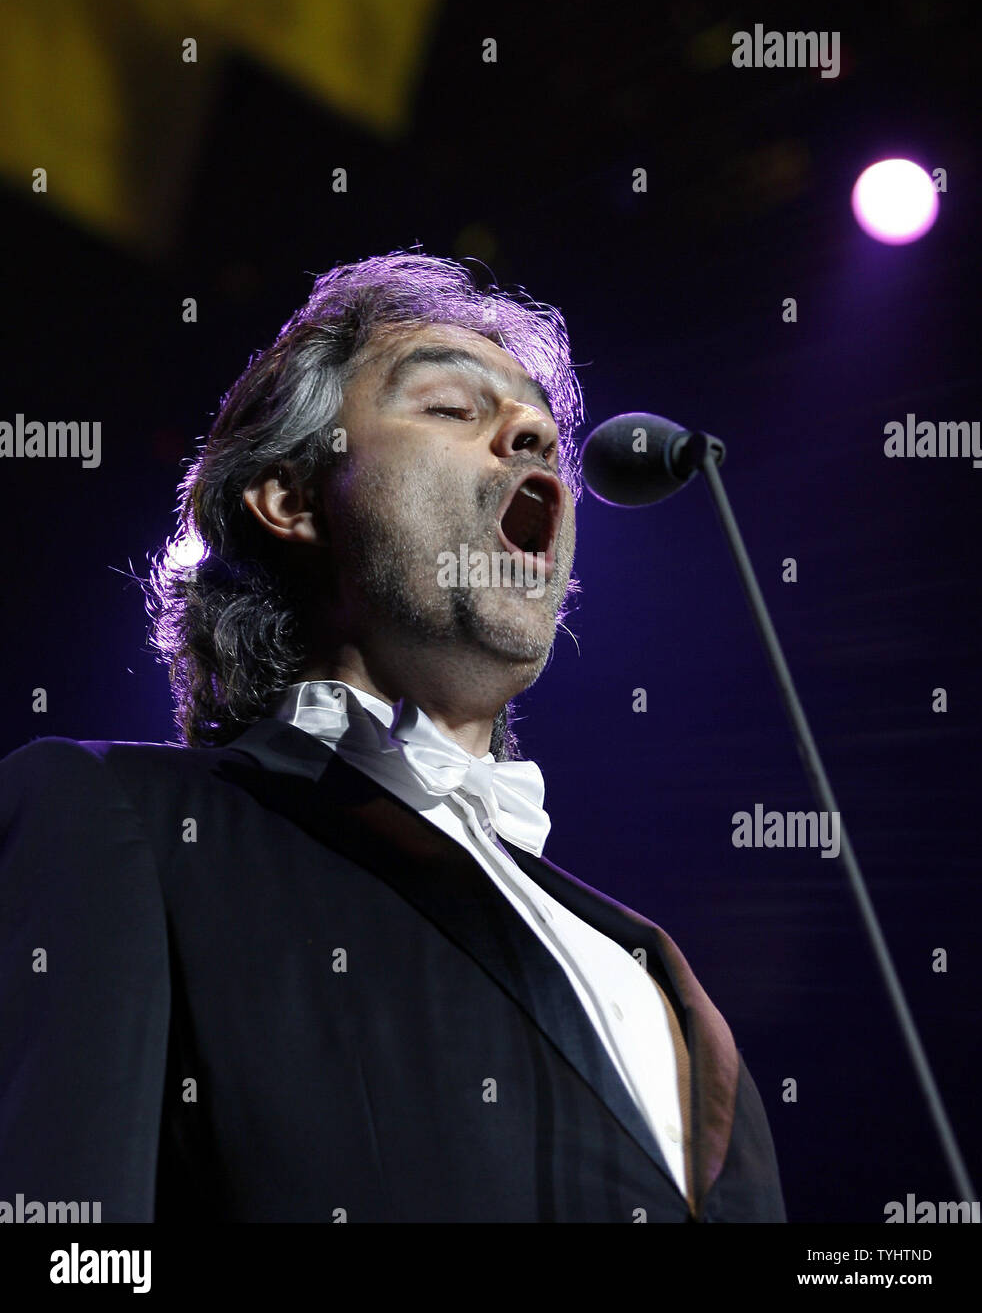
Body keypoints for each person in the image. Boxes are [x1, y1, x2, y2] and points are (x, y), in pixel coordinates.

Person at [0, 252, 785, 1223]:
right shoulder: (123, 823)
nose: (533, 433)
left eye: (539, 426)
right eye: (453, 407)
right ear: (290, 498)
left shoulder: (647, 969)